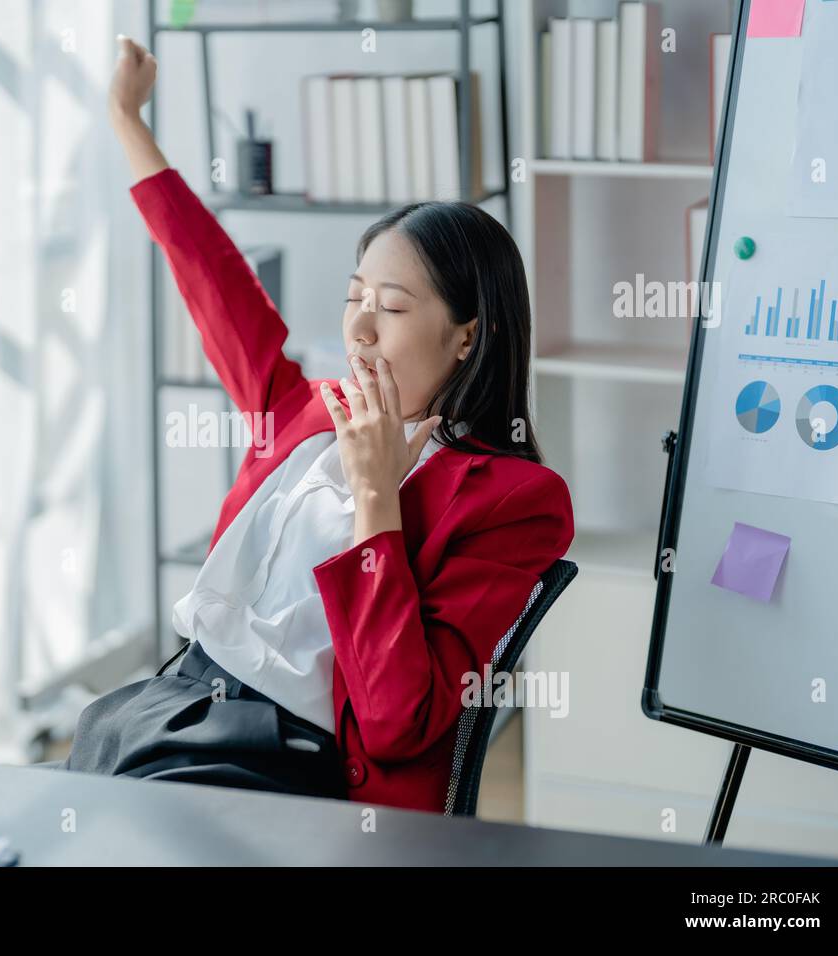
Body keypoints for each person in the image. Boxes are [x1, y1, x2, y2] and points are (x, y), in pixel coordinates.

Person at [58, 35, 575, 814]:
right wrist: (127, 119)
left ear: (469, 334)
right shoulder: (304, 409)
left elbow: (401, 720)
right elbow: (211, 276)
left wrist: (376, 503)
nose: (361, 328)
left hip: (286, 763)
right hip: (168, 710)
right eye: (354, 295)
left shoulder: (510, 499)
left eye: (393, 307)